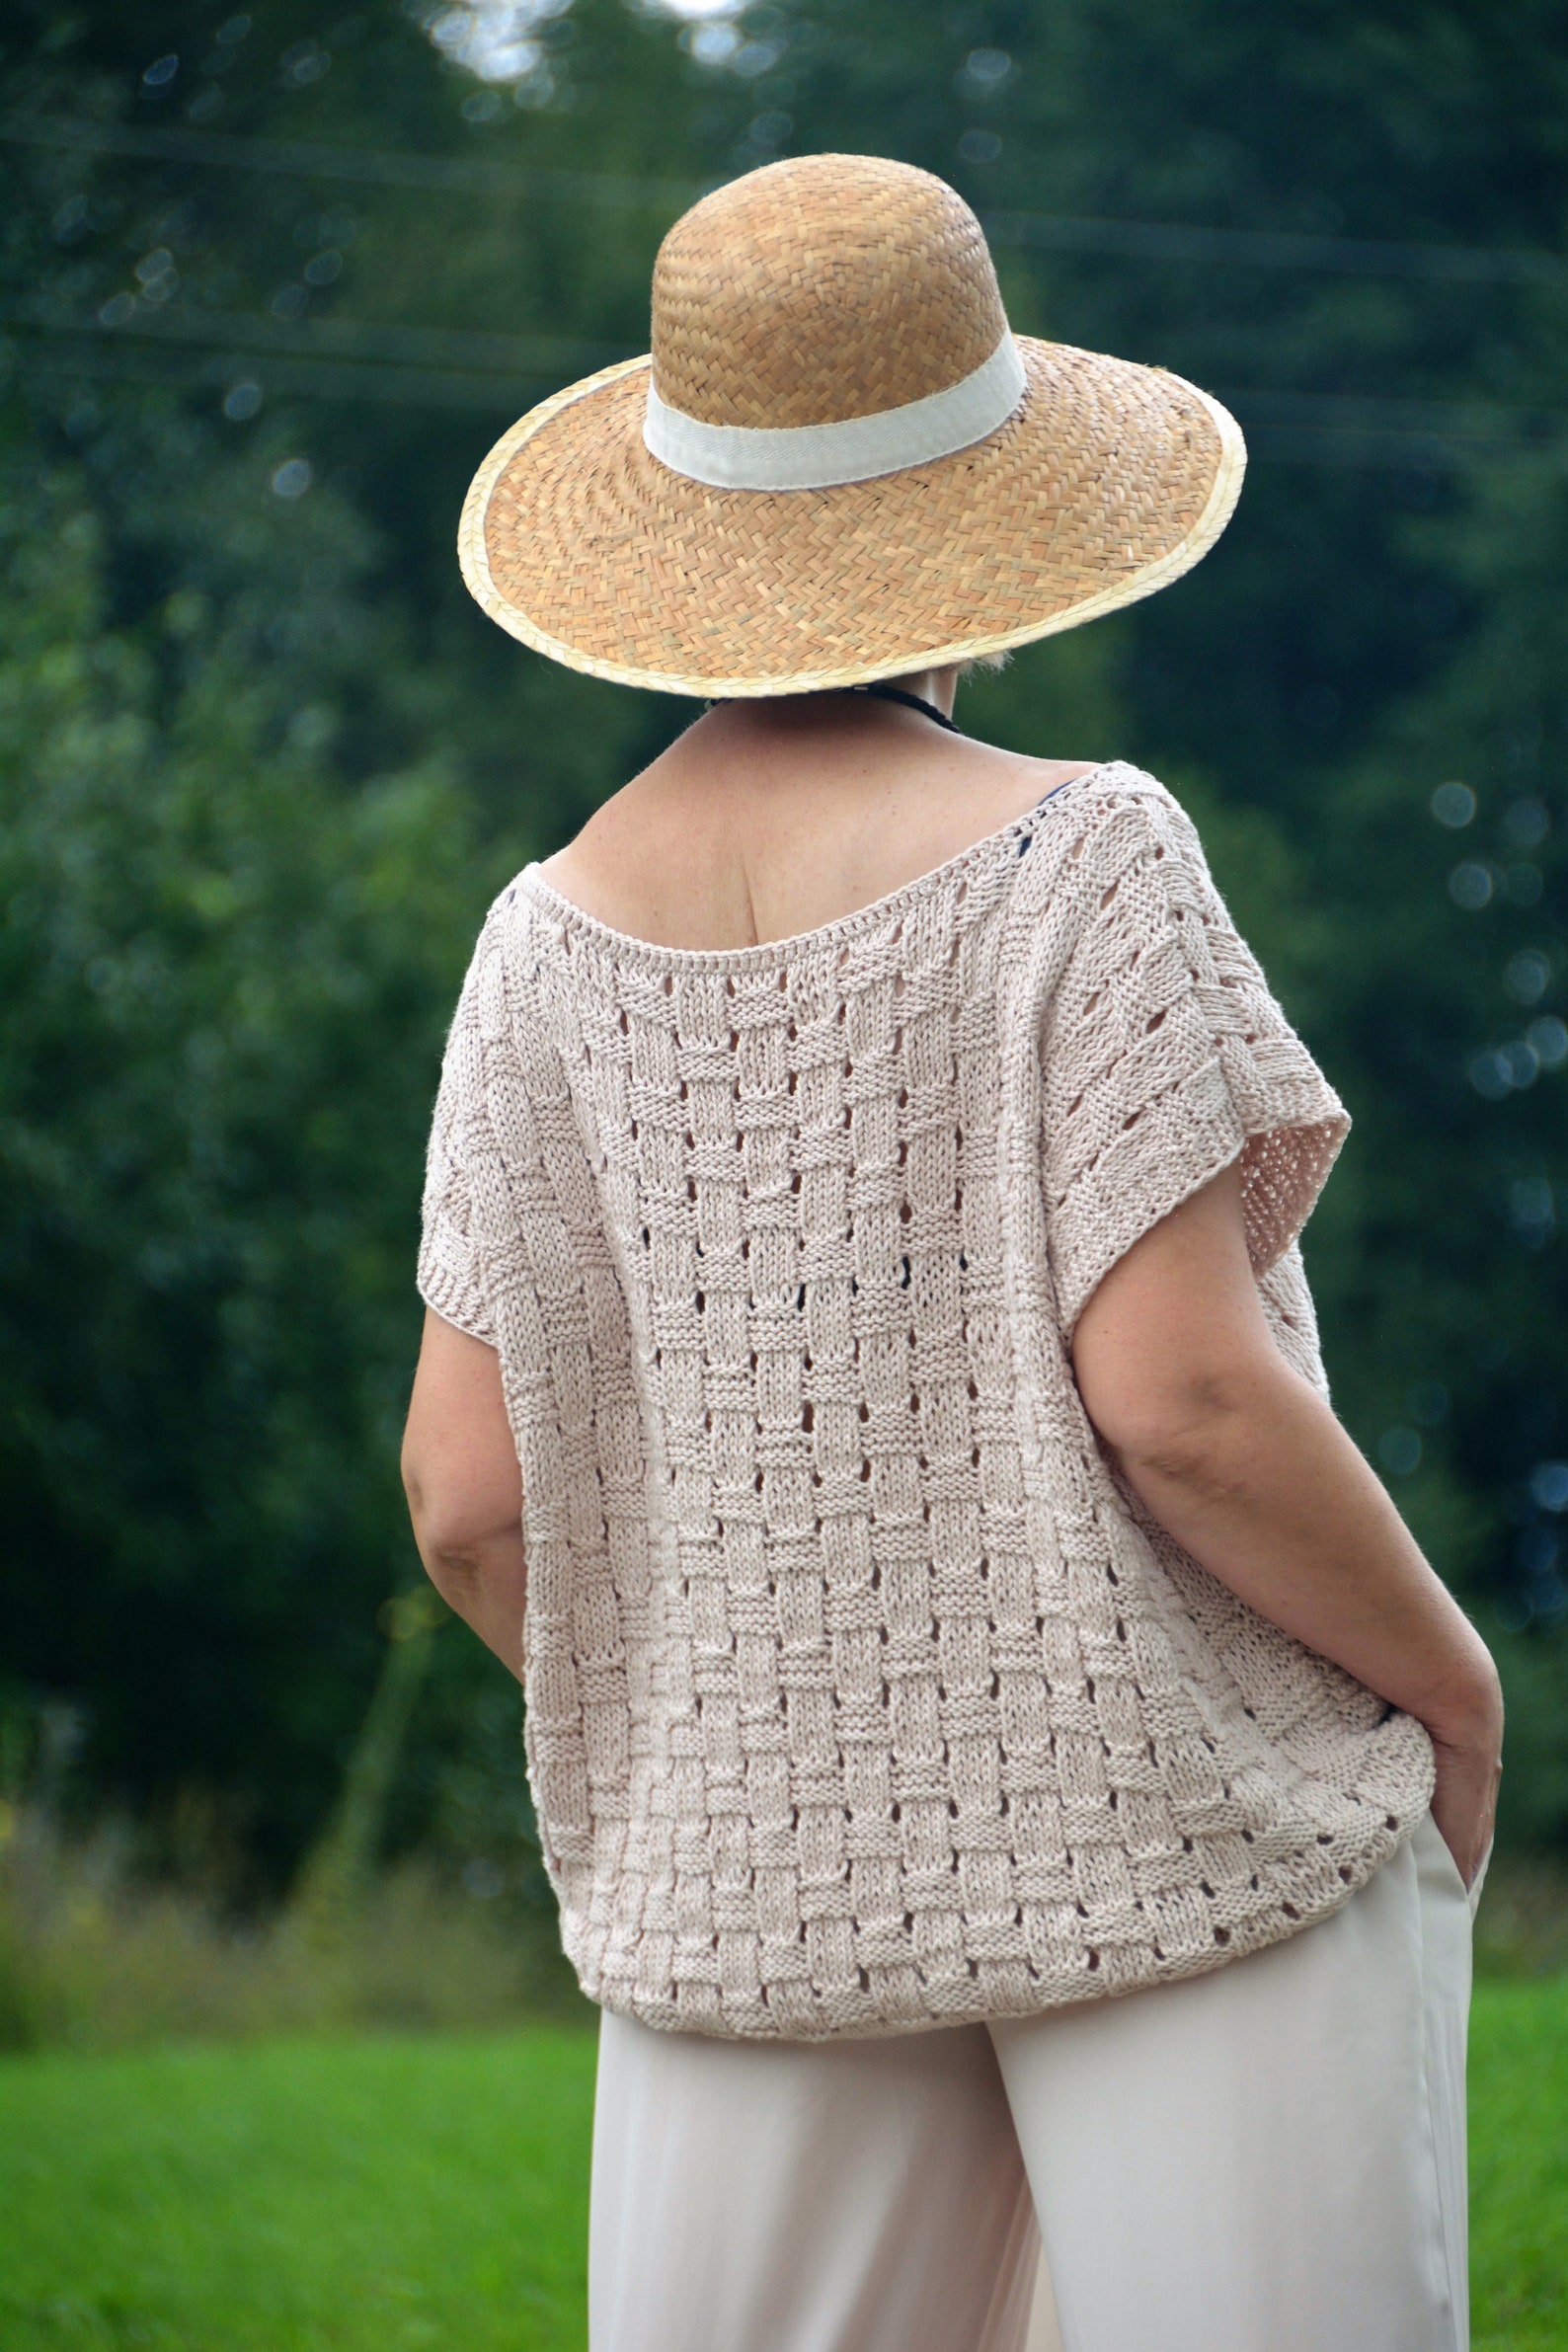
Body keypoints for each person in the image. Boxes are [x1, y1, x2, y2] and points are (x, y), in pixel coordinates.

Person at [401, 153, 1503, 2352]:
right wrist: (1451, 1687)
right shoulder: (1084, 855)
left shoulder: (536, 945)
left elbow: (466, 1496)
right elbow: (1184, 1402)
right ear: (987, 528)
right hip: (1187, 1838)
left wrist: (767, 1716)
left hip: (744, 1894)